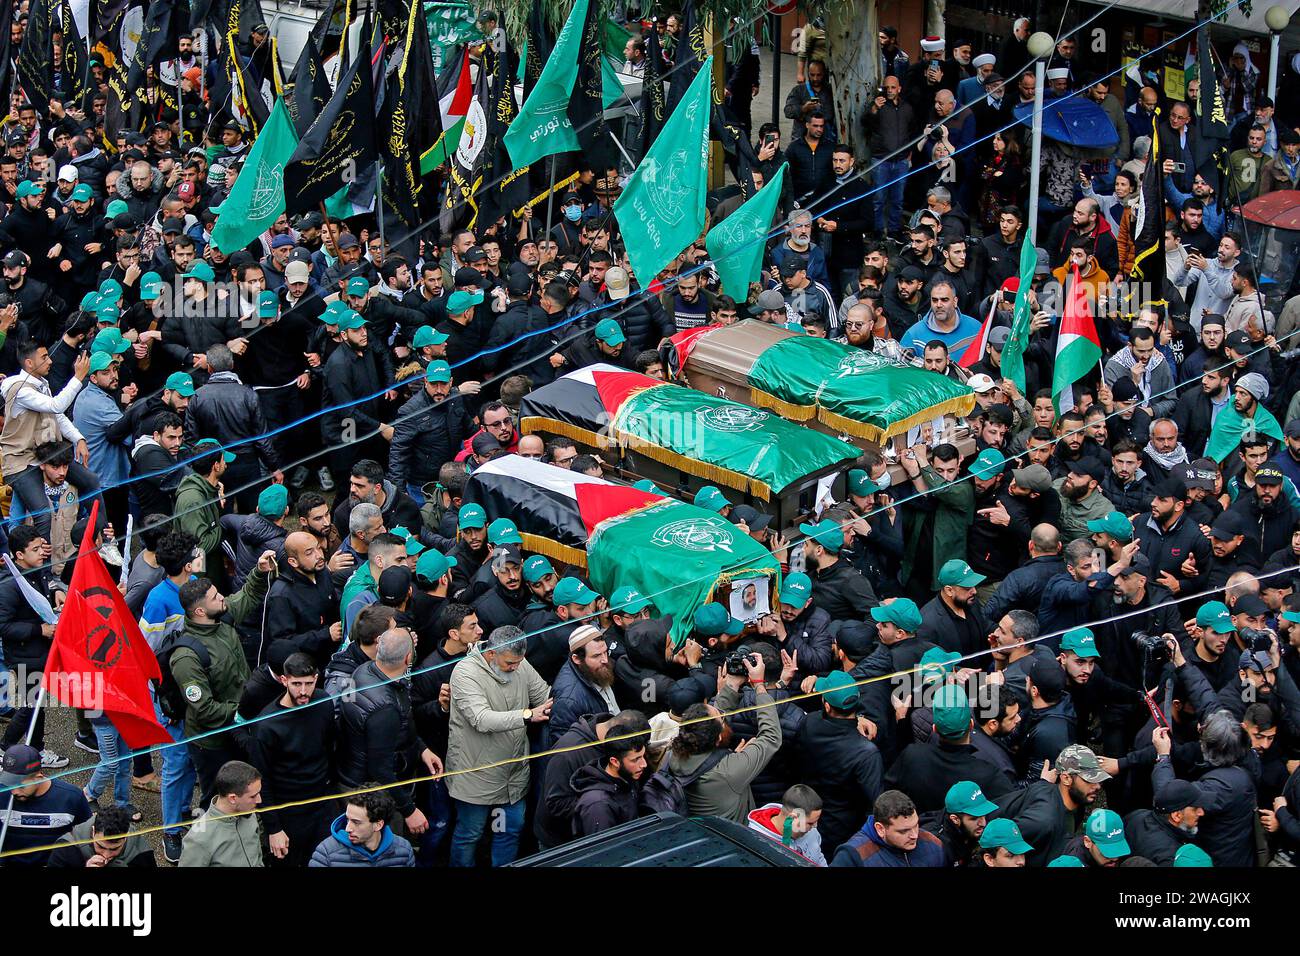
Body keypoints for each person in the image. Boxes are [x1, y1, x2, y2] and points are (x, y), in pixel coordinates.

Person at [445, 625, 551, 866]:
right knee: (469, 835)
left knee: (510, 831)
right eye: (509, 663)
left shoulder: (518, 662)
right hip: (476, 775)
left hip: (513, 775)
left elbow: (543, 694)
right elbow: (481, 719)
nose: (515, 668)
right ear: (491, 654)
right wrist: (526, 715)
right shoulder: (465, 673)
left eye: (518, 662)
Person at [0, 744, 92, 867]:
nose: (14, 792)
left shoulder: (72, 798)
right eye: (9, 784)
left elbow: (87, 838)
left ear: (38, 778)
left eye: (20, 786)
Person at [178, 760, 265, 867]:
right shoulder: (199, 839)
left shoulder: (248, 812)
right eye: (253, 796)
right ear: (233, 798)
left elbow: (258, 857)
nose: (259, 800)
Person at [832, 789, 947, 867]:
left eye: (916, 825)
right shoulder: (854, 855)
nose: (915, 835)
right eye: (904, 831)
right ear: (880, 829)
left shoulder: (933, 844)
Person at [309, 790, 416, 867]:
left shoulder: (404, 851)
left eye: (356, 822)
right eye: (347, 819)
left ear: (378, 825)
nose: (347, 828)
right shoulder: (326, 853)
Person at [47, 805, 157, 868]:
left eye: (114, 849)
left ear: (126, 837)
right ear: (93, 831)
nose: (106, 855)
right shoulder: (66, 847)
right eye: (101, 846)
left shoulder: (141, 854)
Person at [747, 784, 828, 865]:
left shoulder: (810, 831)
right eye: (810, 823)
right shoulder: (757, 843)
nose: (815, 826)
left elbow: (819, 858)